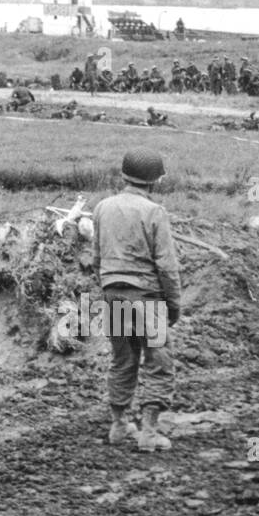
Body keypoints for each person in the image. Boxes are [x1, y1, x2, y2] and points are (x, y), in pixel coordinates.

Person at [93, 150, 183, 452]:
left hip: (113, 291)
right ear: (156, 180)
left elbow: (96, 257)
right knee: (158, 362)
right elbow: (167, 266)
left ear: (123, 176)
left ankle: (118, 426)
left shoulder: (102, 208)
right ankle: (149, 432)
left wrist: (108, 289)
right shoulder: (154, 212)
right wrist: (174, 304)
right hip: (147, 297)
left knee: (122, 360)